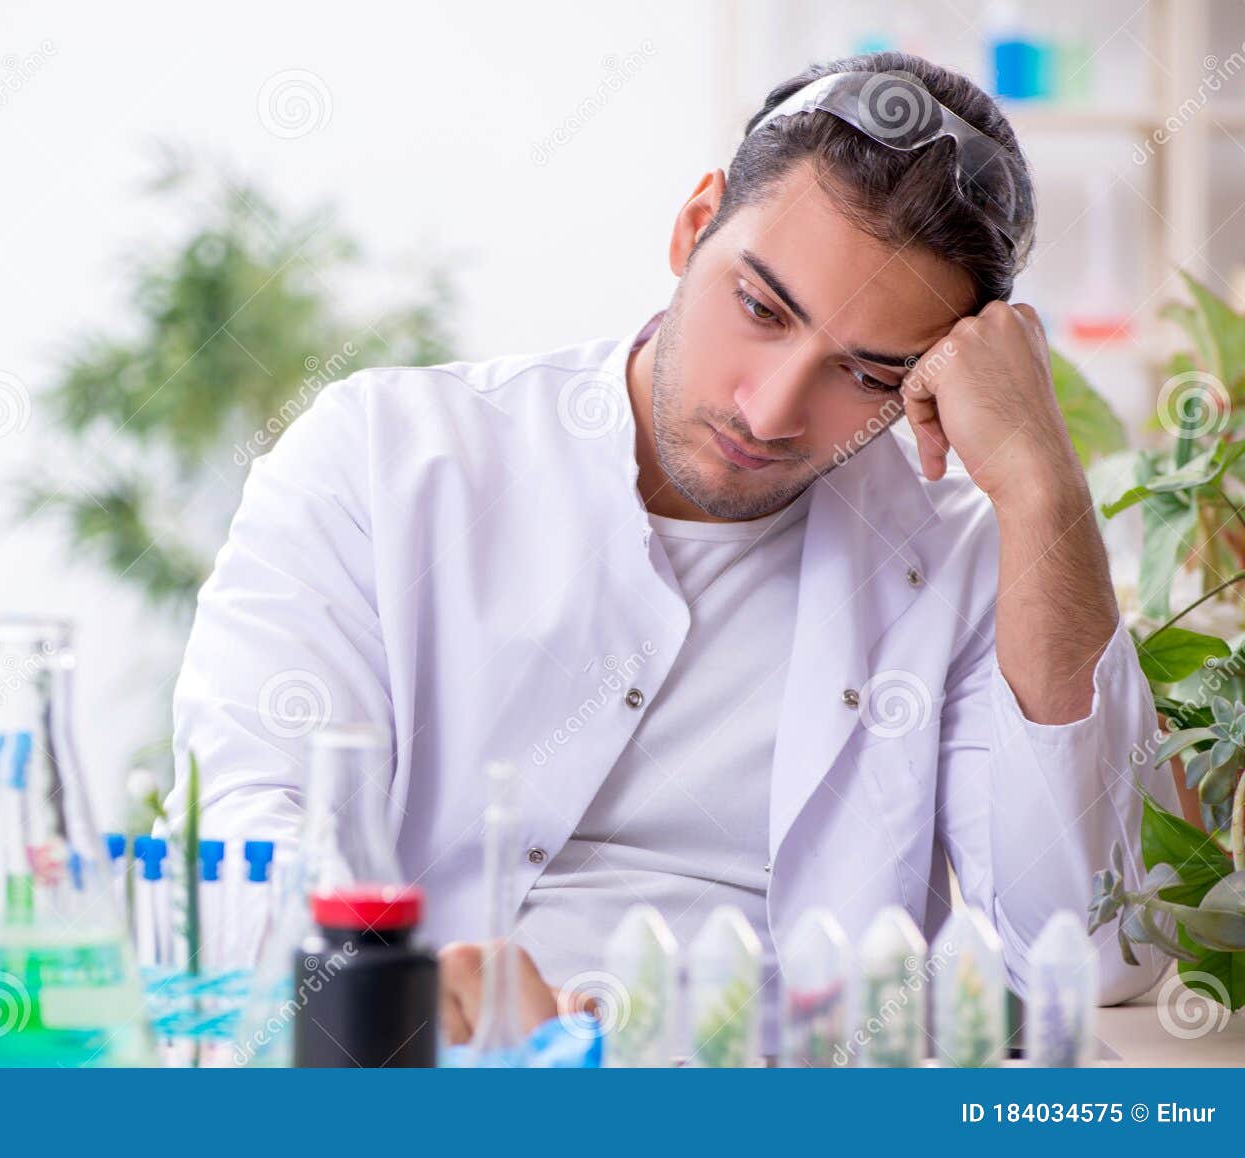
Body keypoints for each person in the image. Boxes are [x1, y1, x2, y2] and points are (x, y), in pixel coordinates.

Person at [168, 51, 1182, 1058]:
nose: (770, 409)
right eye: (760, 311)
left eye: (867, 373)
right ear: (694, 226)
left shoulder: (956, 560)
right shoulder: (385, 459)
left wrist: (1044, 487)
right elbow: (235, 846)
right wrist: (396, 987)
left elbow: (1102, 945)